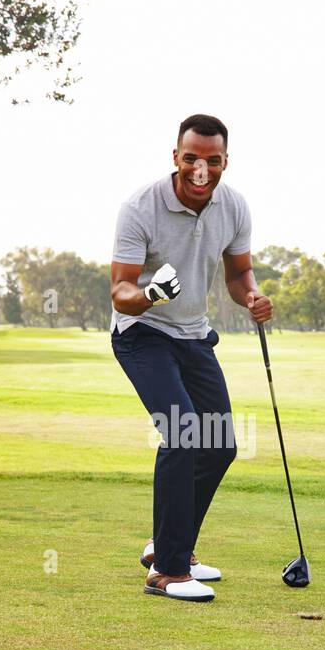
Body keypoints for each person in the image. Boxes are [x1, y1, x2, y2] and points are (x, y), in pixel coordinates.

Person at [110, 113, 272, 602]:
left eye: (212, 160)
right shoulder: (140, 206)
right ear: (175, 157)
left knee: (219, 445)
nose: (201, 170)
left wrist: (252, 297)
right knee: (182, 431)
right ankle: (168, 572)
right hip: (142, 332)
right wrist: (150, 295)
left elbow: (240, 274)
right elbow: (121, 292)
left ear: (225, 161)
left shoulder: (234, 206)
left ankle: (168, 545)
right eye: (191, 159)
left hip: (194, 336)